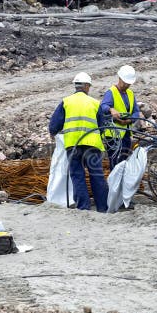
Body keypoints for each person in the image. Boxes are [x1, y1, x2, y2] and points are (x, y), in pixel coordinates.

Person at [48, 72, 109, 212]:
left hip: (73, 145)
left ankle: (83, 207)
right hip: (92, 146)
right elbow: (103, 126)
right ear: (87, 86)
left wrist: (53, 132)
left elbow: (54, 124)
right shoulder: (95, 103)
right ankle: (102, 208)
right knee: (97, 175)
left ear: (76, 86)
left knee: (77, 175)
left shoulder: (66, 102)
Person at [100, 65, 140, 169]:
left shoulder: (130, 94)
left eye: (129, 83)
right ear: (120, 78)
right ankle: (115, 183)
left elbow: (136, 111)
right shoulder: (111, 92)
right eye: (125, 83)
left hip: (125, 134)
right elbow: (103, 106)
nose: (127, 85)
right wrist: (111, 109)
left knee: (123, 161)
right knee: (115, 162)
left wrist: (129, 120)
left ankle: (121, 183)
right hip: (113, 135)